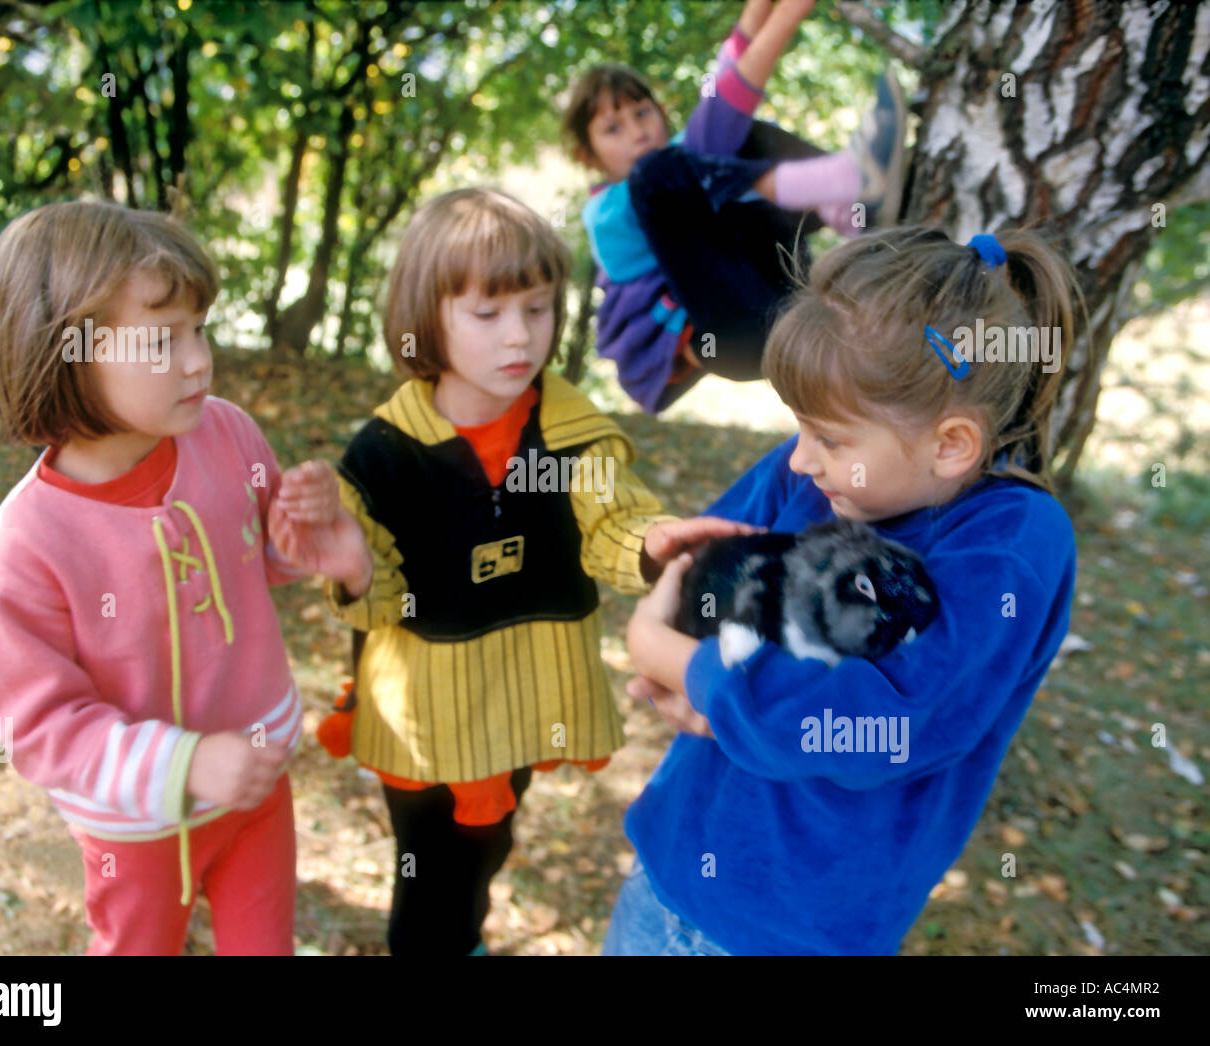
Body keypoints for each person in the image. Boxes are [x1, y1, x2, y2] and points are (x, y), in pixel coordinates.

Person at [605, 226, 1083, 954]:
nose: (801, 458)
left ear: (951, 444)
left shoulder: (1011, 546)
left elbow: (888, 724)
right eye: (798, 428)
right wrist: (673, 568)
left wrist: (688, 670)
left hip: (793, 930)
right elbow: (706, 581)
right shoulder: (806, 472)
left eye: (828, 437)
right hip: (671, 863)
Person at [317, 187, 752, 955]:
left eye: (539, 309)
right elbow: (373, 596)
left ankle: (466, 937)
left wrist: (655, 543)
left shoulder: (567, 431)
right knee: (430, 878)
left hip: (518, 701)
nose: (519, 337)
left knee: (486, 851)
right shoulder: (385, 455)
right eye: (487, 315)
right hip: (424, 715)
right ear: (428, 317)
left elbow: (612, 522)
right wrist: (352, 566)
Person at [0, 200, 370, 955]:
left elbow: (254, 550)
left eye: (200, 331)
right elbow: (41, 730)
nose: (197, 360)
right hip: (138, 829)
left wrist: (327, 547)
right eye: (162, 340)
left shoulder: (225, 432)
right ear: (66, 354)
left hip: (257, 784)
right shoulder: (25, 546)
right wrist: (186, 764)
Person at [563, 0, 906, 413]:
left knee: (742, 138)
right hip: (736, 334)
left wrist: (756, 12)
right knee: (670, 167)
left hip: (777, 296)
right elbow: (713, 121)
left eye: (643, 113)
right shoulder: (606, 216)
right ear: (588, 155)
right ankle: (851, 180)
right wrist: (786, 16)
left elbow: (718, 92)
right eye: (614, 128)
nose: (637, 132)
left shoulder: (677, 165)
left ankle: (860, 212)